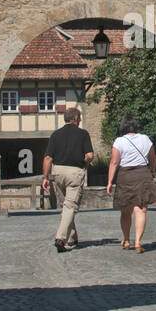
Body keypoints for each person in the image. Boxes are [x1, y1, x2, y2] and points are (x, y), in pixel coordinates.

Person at [42, 108, 95, 253]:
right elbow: (90, 155)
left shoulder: (55, 134)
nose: (81, 120)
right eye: (80, 118)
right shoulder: (83, 134)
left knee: (66, 206)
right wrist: (86, 162)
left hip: (58, 172)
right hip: (74, 172)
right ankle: (61, 238)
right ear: (76, 118)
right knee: (70, 206)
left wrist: (45, 177)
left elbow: (47, 158)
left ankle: (72, 238)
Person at [106, 117, 156, 253]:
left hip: (125, 176)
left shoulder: (119, 141)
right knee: (141, 209)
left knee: (125, 211)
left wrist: (110, 182)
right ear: (136, 128)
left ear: (123, 128)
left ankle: (126, 239)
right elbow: (152, 158)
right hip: (142, 174)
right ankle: (138, 242)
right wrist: (152, 171)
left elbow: (114, 162)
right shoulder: (145, 139)